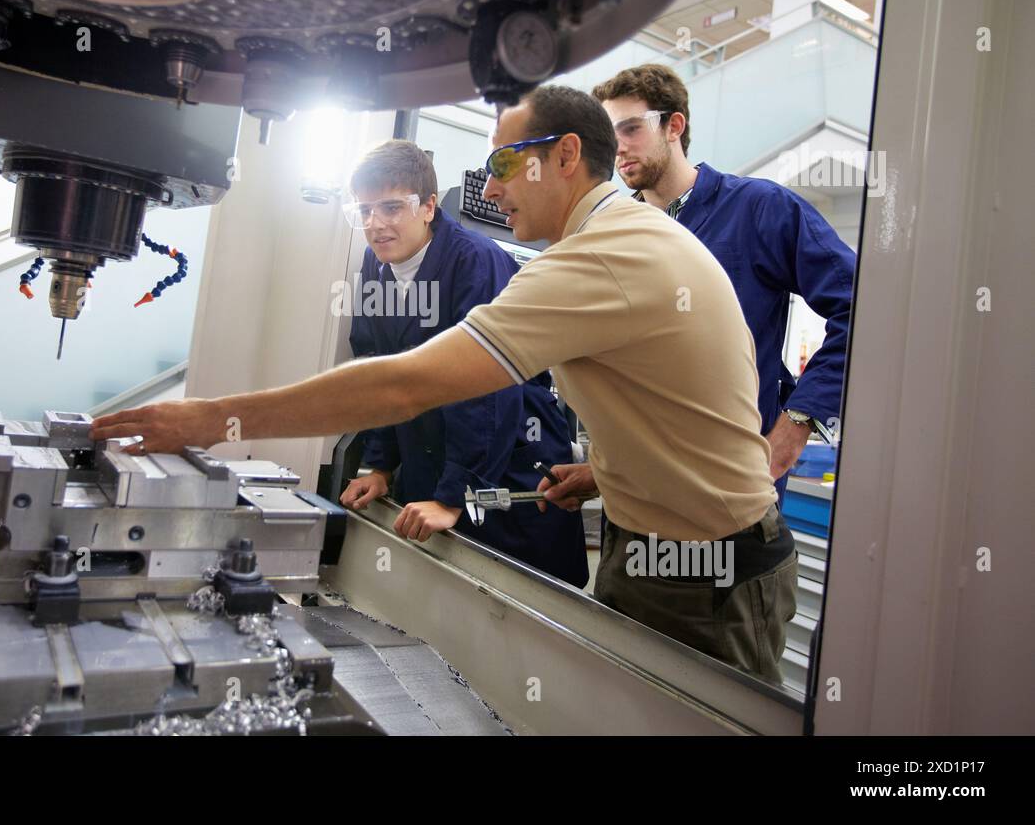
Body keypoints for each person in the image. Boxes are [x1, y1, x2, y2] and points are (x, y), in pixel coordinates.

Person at [91, 85, 798, 683]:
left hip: (708, 580)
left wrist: (215, 419)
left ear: (566, 155)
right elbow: (671, 400)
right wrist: (607, 471)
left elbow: (408, 385)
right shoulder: (618, 240)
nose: (487, 187)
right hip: (645, 547)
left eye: (502, 163)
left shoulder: (603, 254)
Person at [595, 65, 855, 498]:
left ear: (673, 125)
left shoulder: (760, 210)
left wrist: (796, 426)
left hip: (732, 487)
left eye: (632, 128)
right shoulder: (612, 231)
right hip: (636, 486)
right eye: (609, 134)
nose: (618, 148)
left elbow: (860, 305)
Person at [338, 139, 586, 586]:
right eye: (365, 211)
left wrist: (455, 496)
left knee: (513, 613)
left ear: (429, 206)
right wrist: (378, 466)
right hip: (432, 463)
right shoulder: (376, 269)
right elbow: (383, 375)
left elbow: (486, 389)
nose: (376, 224)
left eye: (392, 208)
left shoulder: (476, 262)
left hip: (505, 465)